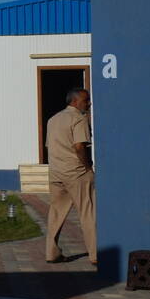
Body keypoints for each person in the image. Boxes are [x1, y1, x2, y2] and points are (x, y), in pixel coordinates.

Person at [45, 87, 97, 266]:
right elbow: (79, 147)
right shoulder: (79, 118)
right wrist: (87, 166)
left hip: (56, 172)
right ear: (75, 102)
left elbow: (49, 146)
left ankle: (51, 253)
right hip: (76, 172)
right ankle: (95, 254)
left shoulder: (52, 120)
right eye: (86, 100)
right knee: (88, 212)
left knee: (56, 213)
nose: (89, 103)